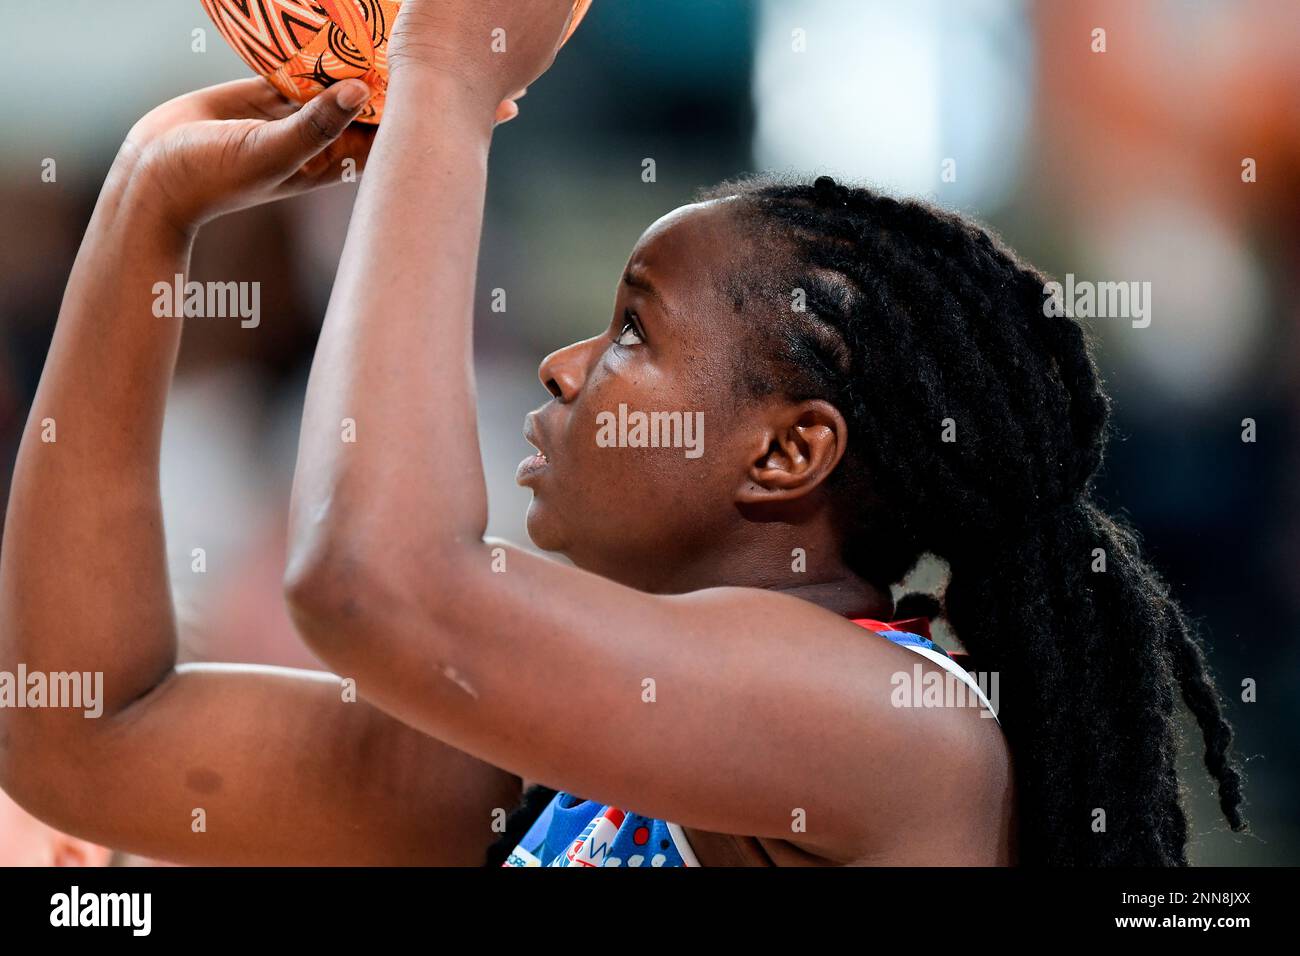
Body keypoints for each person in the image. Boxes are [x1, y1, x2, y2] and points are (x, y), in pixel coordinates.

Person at [0, 0, 1243, 867]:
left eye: (632, 333)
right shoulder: (558, 770)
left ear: (786, 452)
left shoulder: (900, 730)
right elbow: (83, 736)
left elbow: (374, 583)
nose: (559, 365)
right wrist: (148, 203)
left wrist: (444, 83)